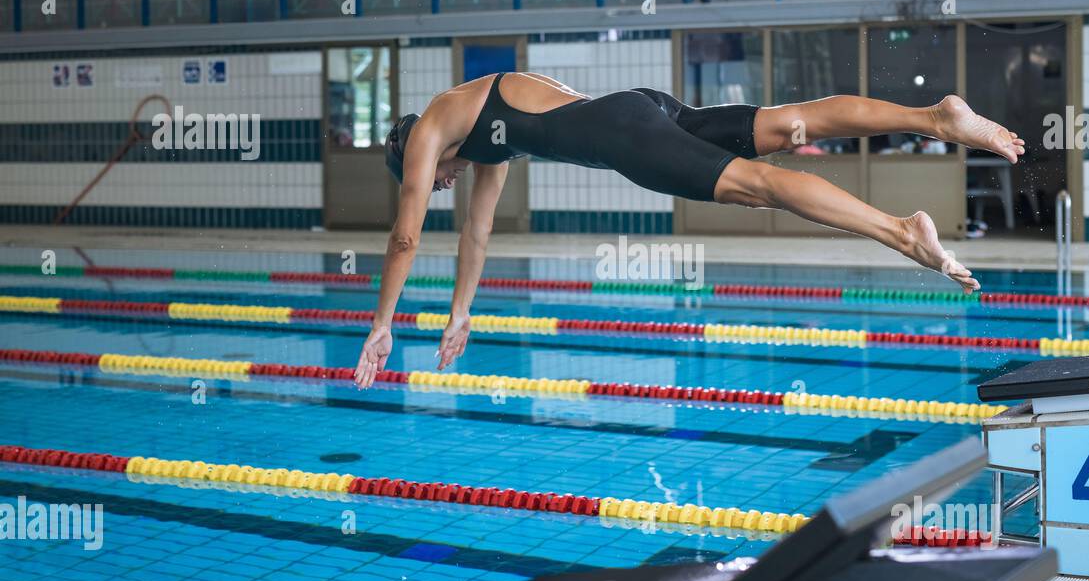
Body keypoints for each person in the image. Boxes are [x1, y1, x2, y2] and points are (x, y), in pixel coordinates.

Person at [353, 71, 1024, 388]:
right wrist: (460, 312)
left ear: (412, 151)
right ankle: (934, 117)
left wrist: (382, 322)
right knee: (790, 125)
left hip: (622, 133)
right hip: (639, 105)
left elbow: (406, 237)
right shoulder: (482, 136)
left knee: (757, 187)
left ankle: (904, 233)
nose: (438, 184)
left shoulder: (434, 124)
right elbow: (475, 235)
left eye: (430, 177)